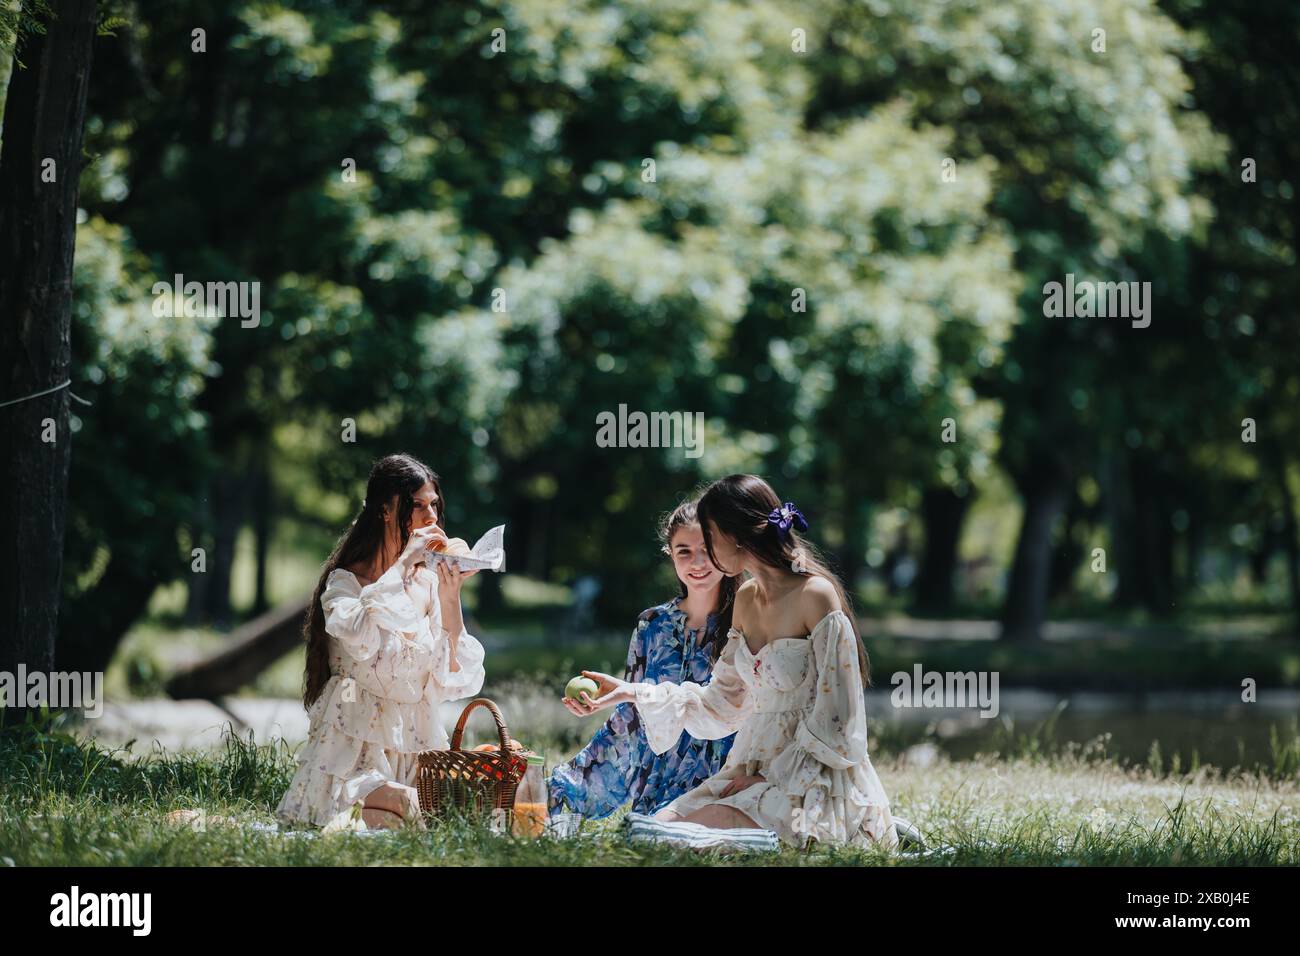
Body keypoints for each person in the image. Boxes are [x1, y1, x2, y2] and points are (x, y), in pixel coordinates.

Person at [572, 474, 900, 850]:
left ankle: (861, 823)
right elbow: (721, 703)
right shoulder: (746, 598)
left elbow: (840, 718)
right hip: (750, 766)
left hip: (811, 777)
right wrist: (631, 692)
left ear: (733, 534)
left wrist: (770, 779)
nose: (706, 552)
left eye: (709, 537)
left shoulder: (815, 594)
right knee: (653, 828)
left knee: (675, 841)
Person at [276, 453, 483, 829]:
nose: (430, 518)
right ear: (385, 511)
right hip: (354, 755)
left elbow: (451, 675)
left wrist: (451, 595)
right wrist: (404, 562)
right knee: (401, 808)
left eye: (434, 505)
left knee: (476, 805)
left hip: (412, 748)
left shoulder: (429, 584)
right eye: (416, 506)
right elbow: (362, 640)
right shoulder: (346, 585)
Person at [549, 499, 738, 820]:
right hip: (661, 771)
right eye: (684, 551)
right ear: (670, 555)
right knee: (563, 798)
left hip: (722, 772)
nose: (697, 562)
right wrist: (601, 705)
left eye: (706, 548)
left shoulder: (744, 622)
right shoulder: (652, 624)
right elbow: (634, 709)